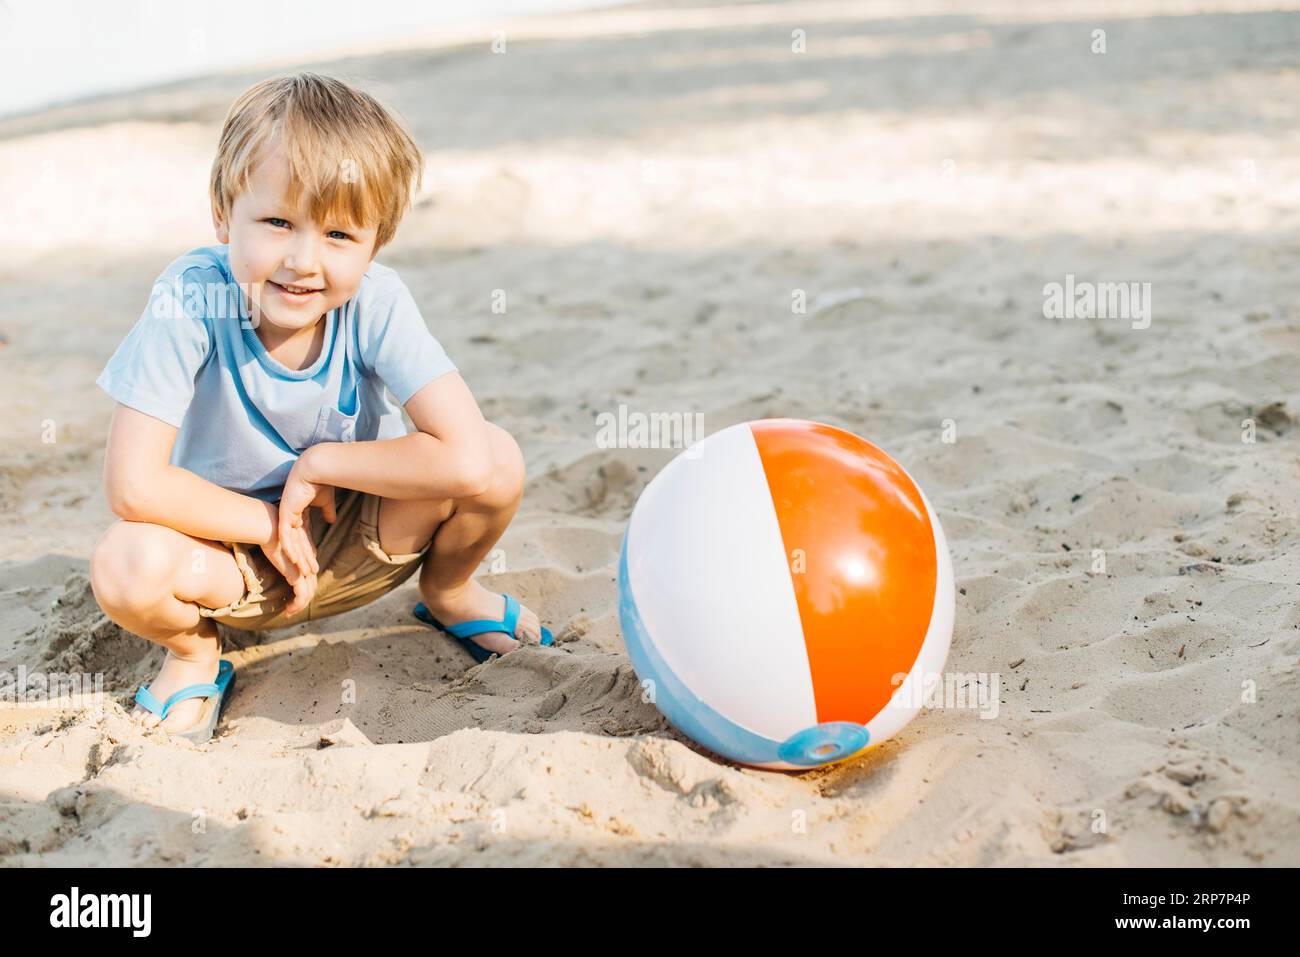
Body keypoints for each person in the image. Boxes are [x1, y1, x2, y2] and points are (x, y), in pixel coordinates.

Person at [90, 73, 551, 740]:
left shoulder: (376, 302)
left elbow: (469, 456)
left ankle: (449, 593)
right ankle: (194, 653)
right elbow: (133, 484)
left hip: (361, 536)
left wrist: (323, 462)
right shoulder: (191, 297)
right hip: (234, 559)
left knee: (500, 457)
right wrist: (269, 520)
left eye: (339, 234)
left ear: (375, 243)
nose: (303, 260)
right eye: (277, 222)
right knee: (124, 563)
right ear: (223, 213)